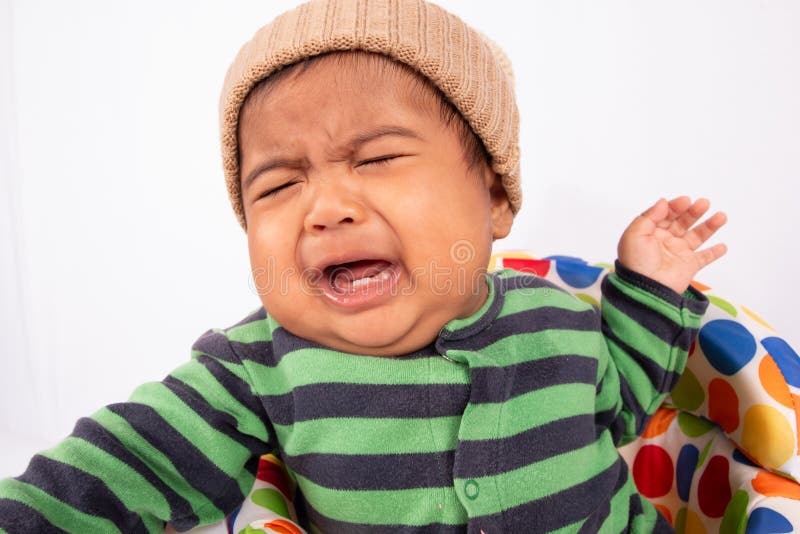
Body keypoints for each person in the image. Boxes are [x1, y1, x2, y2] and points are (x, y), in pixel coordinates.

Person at [0, 0, 728, 532]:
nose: (325, 207)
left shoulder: (558, 319)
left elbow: (631, 398)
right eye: (278, 186)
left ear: (496, 199)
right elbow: (131, 461)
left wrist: (645, 286)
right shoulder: (261, 366)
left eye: (377, 159)